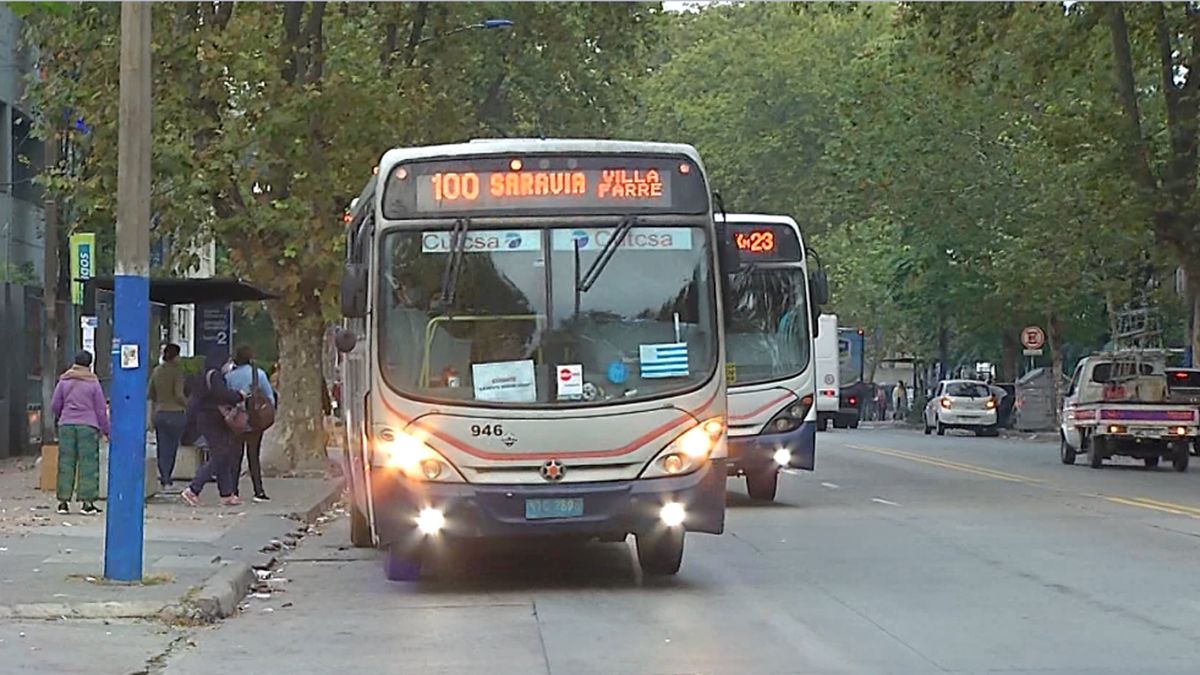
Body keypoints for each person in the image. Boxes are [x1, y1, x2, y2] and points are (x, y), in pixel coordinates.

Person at [181, 353, 247, 507]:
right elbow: (222, 395)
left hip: (207, 418)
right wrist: (239, 395)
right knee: (220, 453)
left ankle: (226, 493)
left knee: (223, 453)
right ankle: (193, 489)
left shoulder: (203, 375)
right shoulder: (215, 376)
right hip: (212, 419)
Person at [50, 351, 110, 515]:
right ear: (89, 364)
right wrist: (106, 430)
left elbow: (55, 404)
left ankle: (63, 502)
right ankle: (87, 503)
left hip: (66, 425)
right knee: (88, 464)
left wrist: (64, 415)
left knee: (66, 463)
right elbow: (100, 409)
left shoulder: (64, 380)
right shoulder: (92, 382)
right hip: (88, 426)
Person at [225, 346, 276, 502]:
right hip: (255, 420)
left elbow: (226, 398)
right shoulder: (258, 375)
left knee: (235, 456)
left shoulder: (229, 377)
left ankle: (233, 490)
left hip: (237, 422)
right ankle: (258, 491)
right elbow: (270, 397)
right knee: (253, 456)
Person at [148, 343, 188, 491]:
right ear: (176, 356)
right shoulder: (177, 372)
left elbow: (151, 395)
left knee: (162, 447)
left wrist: (150, 417)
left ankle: (164, 478)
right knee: (171, 448)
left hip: (159, 413)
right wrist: (187, 404)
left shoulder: (156, 371)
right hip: (175, 413)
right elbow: (179, 394)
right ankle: (167, 478)